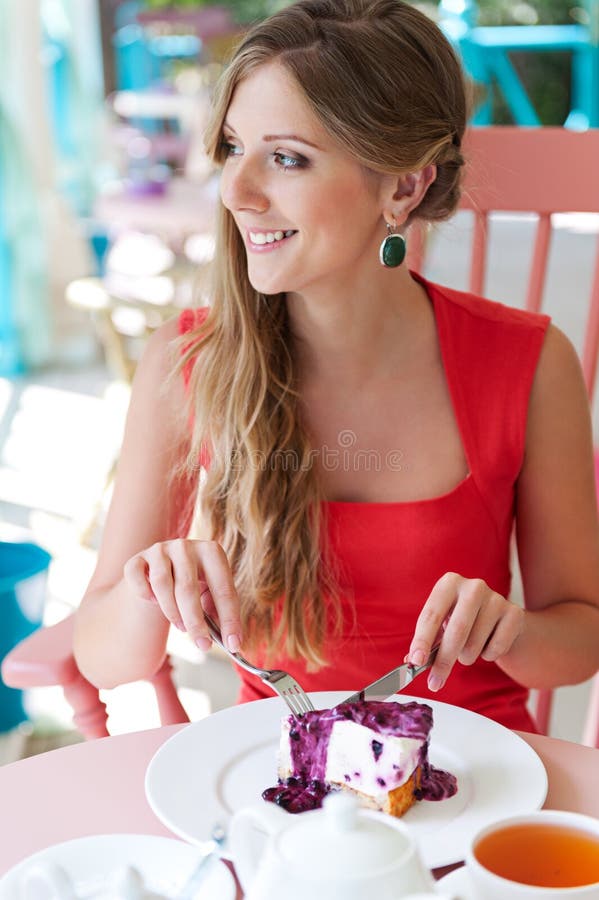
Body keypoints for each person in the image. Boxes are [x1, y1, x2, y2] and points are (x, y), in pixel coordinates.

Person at [73, 0, 599, 733]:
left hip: (482, 767)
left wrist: (511, 631)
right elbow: (104, 658)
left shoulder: (528, 363)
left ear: (403, 187)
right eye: (234, 147)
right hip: (274, 773)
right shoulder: (187, 361)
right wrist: (148, 588)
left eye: (287, 158)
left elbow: (579, 638)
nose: (235, 192)